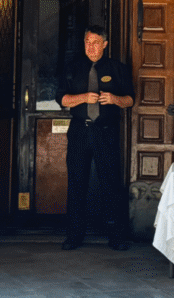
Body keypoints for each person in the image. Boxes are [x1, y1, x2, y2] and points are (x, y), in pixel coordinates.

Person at [57, 24, 134, 251]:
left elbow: (131, 99)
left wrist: (115, 100)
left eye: (96, 43)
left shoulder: (117, 68)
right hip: (80, 130)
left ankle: (116, 236)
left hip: (106, 131)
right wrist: (82, 97)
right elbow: (61, 99)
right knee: (76, 182)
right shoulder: (73, 68)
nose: (91, 47)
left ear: (105, 44)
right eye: (88, 42)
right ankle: (74, 235)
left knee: (110, 182)